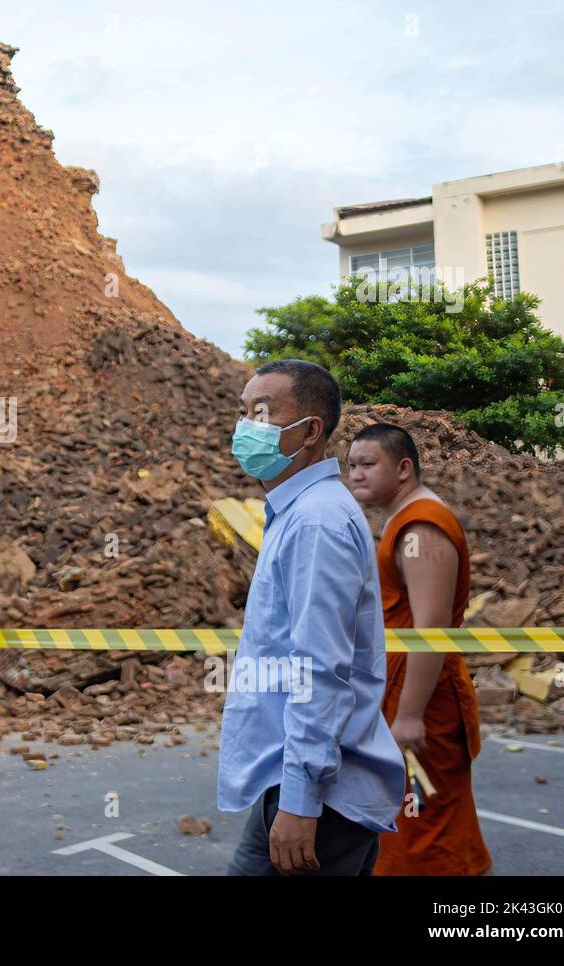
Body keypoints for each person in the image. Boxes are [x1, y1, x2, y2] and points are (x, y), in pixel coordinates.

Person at [219, 359, 405, 876]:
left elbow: (320, 670)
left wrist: (300, 802)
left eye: (262, 413)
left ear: (310, 431)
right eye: (242, 413)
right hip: (304, 781)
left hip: (318, 795)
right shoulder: (299, 512)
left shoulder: (316, 521)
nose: (245, 427)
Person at [346, 422, 493, 876]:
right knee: (435, 831)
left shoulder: (421, 527)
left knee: (424, 836)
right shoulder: (405, 520)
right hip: (405, 690)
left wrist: (409, 714)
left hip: (425, 701)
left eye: (368, 464)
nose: (356, 475)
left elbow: (431, 629)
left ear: (404, 468)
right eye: (351, 466)